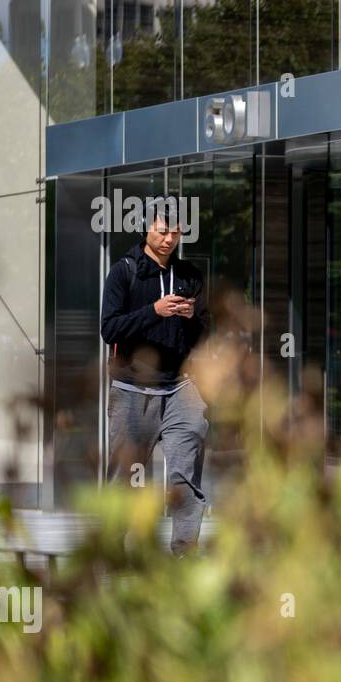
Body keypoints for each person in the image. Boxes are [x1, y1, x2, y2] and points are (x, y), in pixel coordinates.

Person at [100, 211, 209, 555]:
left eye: (175, 234)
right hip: (132, 390)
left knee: (184, 474)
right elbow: (110, 329)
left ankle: (184, 554)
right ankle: (113, 551)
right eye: (163, 232)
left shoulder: (189, 276)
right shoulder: (124, 272)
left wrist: (192, 319)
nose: (169, 240)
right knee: (127, 478)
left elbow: (205, 335)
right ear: (147, 228)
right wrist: (154, 311)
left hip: (181, 388)